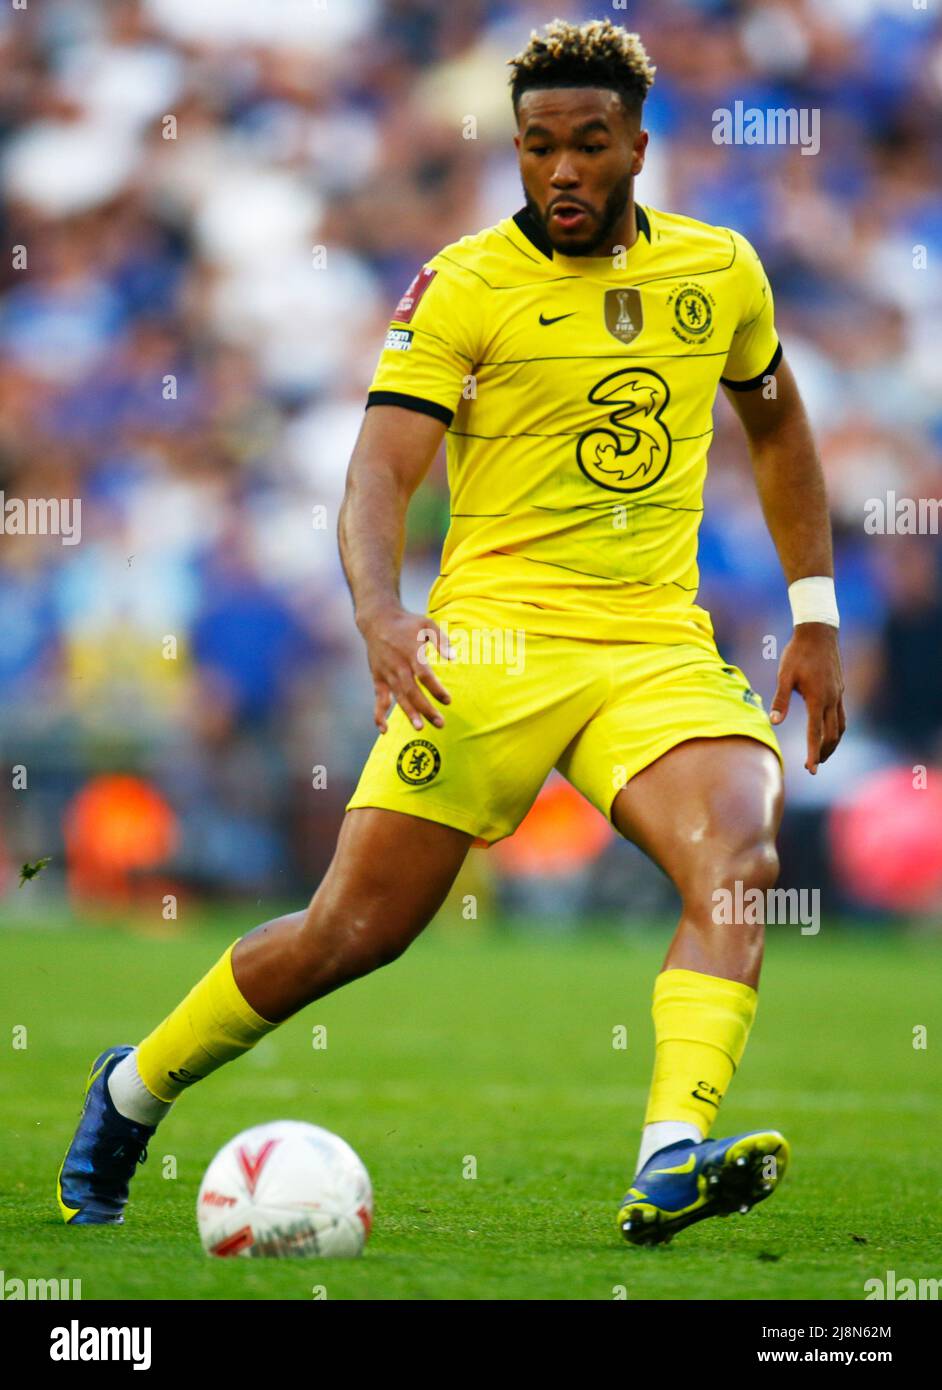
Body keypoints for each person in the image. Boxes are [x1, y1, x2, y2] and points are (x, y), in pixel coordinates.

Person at [58, 18, 845, 1247]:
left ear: (639, 145)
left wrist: (815, 612)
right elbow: (380, 472)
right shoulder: (466, 284)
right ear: (516, 151)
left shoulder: (722, 271)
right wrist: (382, 611)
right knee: (350, 933)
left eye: (590, 146)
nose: (565, 171)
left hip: (652, 645)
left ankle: (669, 1154)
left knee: (737, 862)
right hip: (487, 646)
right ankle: (130, 1088)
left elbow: (780, 423)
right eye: (539, 148)